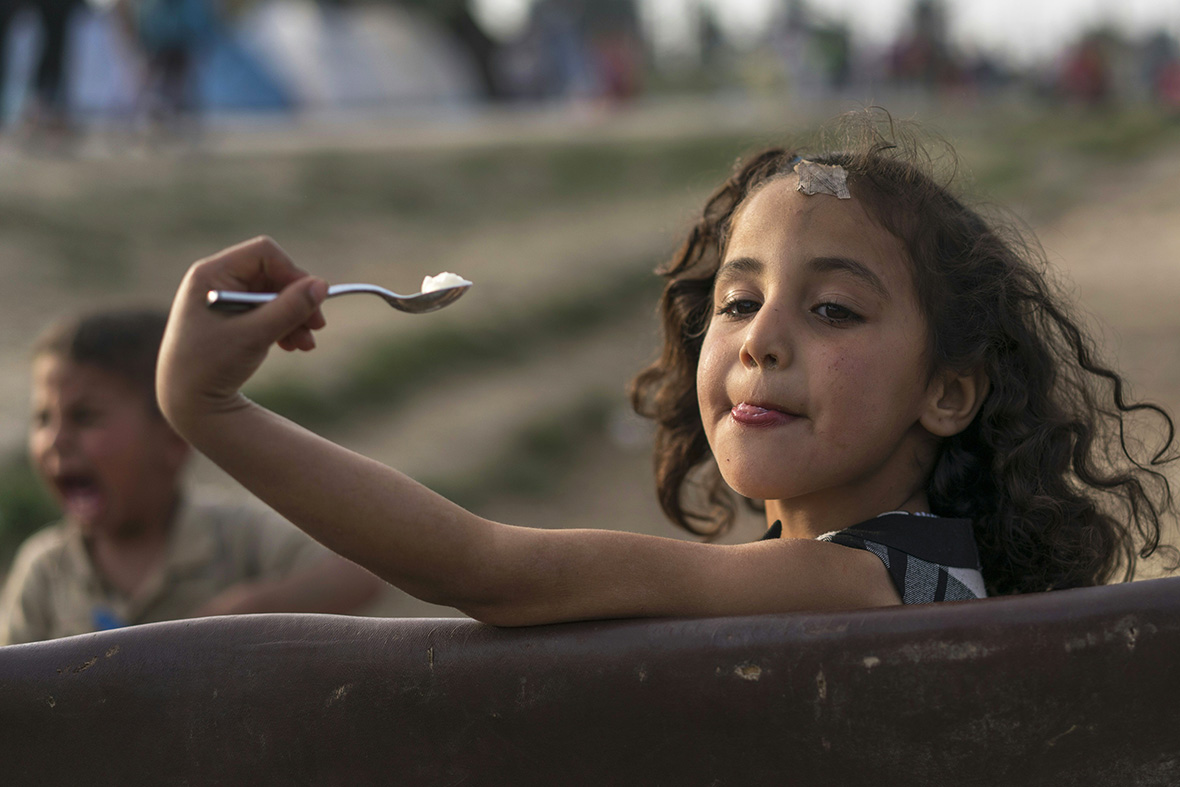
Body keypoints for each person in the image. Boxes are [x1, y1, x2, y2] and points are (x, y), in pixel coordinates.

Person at [153, 111, 1176, 627]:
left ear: (948, 389)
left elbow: (488, 571)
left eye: (831, 309)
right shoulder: (879, 570)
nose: (757, 339)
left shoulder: (868, 584)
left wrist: (207, 407)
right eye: (736, 300)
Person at [0, 309, 382, 645]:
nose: (55, 440)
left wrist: (254, 612)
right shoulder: (45, 571)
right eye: (43, 419)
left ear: (173, 441)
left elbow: (361, 572)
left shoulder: (235, 536)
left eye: (85, 417)